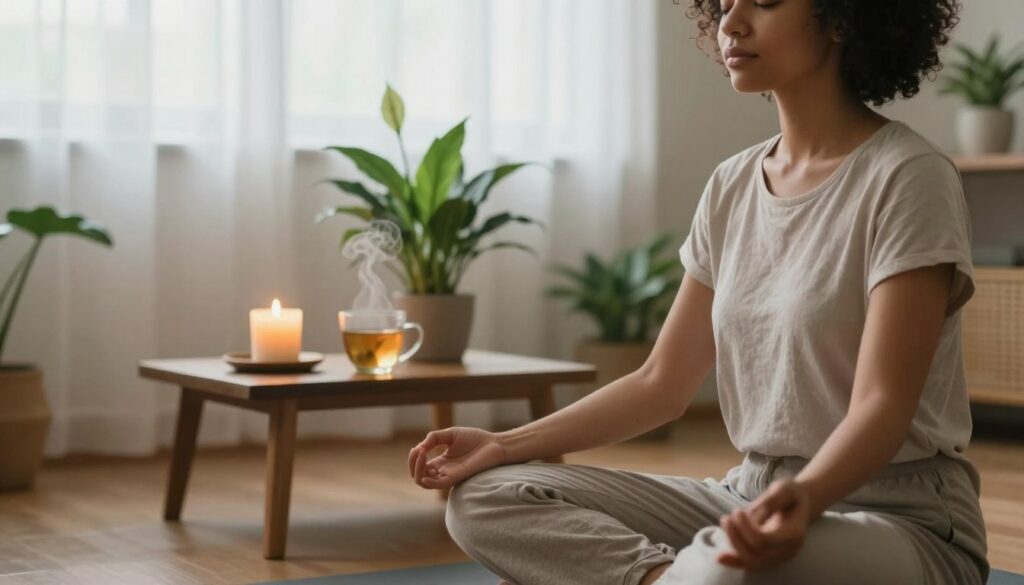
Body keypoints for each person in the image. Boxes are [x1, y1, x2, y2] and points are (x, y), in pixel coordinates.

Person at [407, 0, 989, 582]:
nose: (730, 24)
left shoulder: (908, 176)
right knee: (485, 496)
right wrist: (506, 444)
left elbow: (882, 405)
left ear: (842, 17)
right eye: (724, 4)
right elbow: (661, 383)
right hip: (748, 497)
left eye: (762, 2)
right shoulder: (731, 184)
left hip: (897, 518)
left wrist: (805, 499)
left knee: (721, 567)